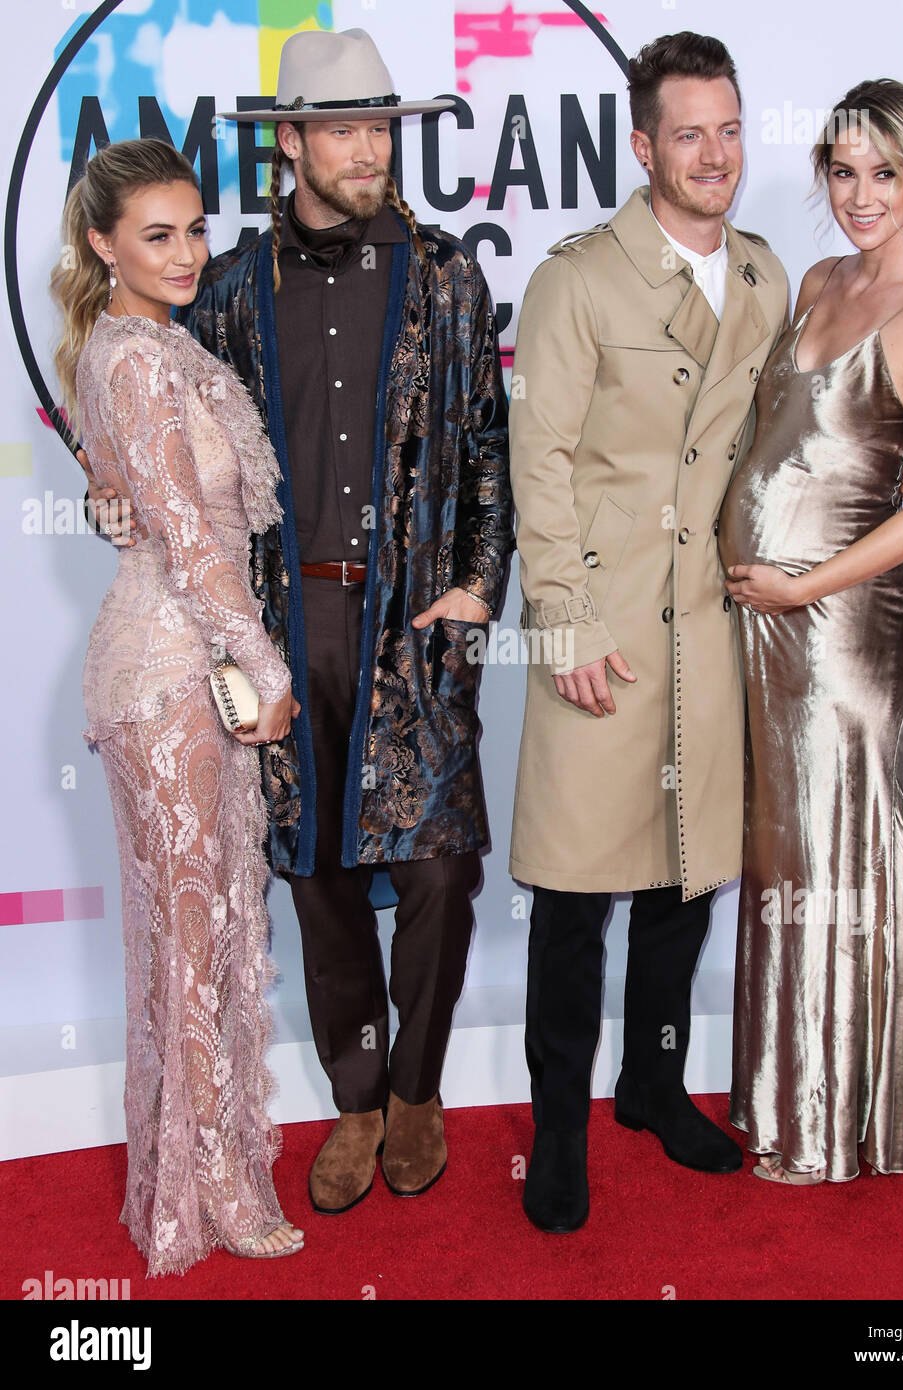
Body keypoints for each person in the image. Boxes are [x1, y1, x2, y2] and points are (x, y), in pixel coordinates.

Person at [85, 28, 511, 1215]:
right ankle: (359, 1096)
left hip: (409, 610)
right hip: (276, 619)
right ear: (292, 142)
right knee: (315, 866)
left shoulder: (445, 277)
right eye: (343, 129)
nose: (367, 148)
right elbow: (159, 433)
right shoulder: (225, 288)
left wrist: (478, 584)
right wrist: (104, 489)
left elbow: (485, 446)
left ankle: (420, 1089)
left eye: (381, 127)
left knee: (436, 867)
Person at [507, 33, 789, 1232]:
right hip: (603, 631)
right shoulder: (576, 279)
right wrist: (562, 624)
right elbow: (542, 461)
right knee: (574, 898)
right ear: (641, 145)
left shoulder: (769, 278)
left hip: (713, 636)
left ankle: (654, 1086)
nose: (713, 154)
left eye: (728, 130)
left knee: (685, 879)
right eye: (688, 133)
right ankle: (558, 1131)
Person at [718, 79, 903, 1184]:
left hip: (842, 631)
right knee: (780, 850)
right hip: (767, 623)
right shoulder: (820, 280)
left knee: (829, 853)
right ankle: (779, 1087)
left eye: (883, 172)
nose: (861, 194)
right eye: (842, 171)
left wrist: (803, 586)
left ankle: (827, 1118)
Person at [54, 138, 304, 1272]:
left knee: (190, 934)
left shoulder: (141, 344)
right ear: (101, 243)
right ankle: (210, 1191)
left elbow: (149, 511)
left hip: (171, 666)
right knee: (195, 940)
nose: (190, 251)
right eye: (159, 234)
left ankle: (196, 1176)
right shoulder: (141, 361)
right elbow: (196, 544)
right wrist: (269, 665)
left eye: (197, 228)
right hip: (172, 673)